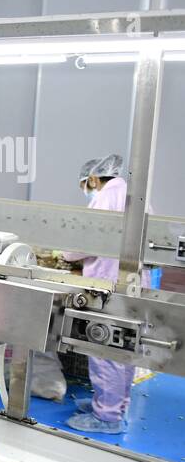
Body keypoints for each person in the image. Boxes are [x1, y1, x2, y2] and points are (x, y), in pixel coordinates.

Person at [60, 154, 152, 434]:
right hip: (134, 283)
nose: (88, 189)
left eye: (87, 184)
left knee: (104, 350)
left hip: (107, 286)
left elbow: (86, 242)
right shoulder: (135, 195)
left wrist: (65, 253)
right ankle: (114, 404)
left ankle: (107, 416)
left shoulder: (106, 197)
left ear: (94, 178)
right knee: (123, 348)